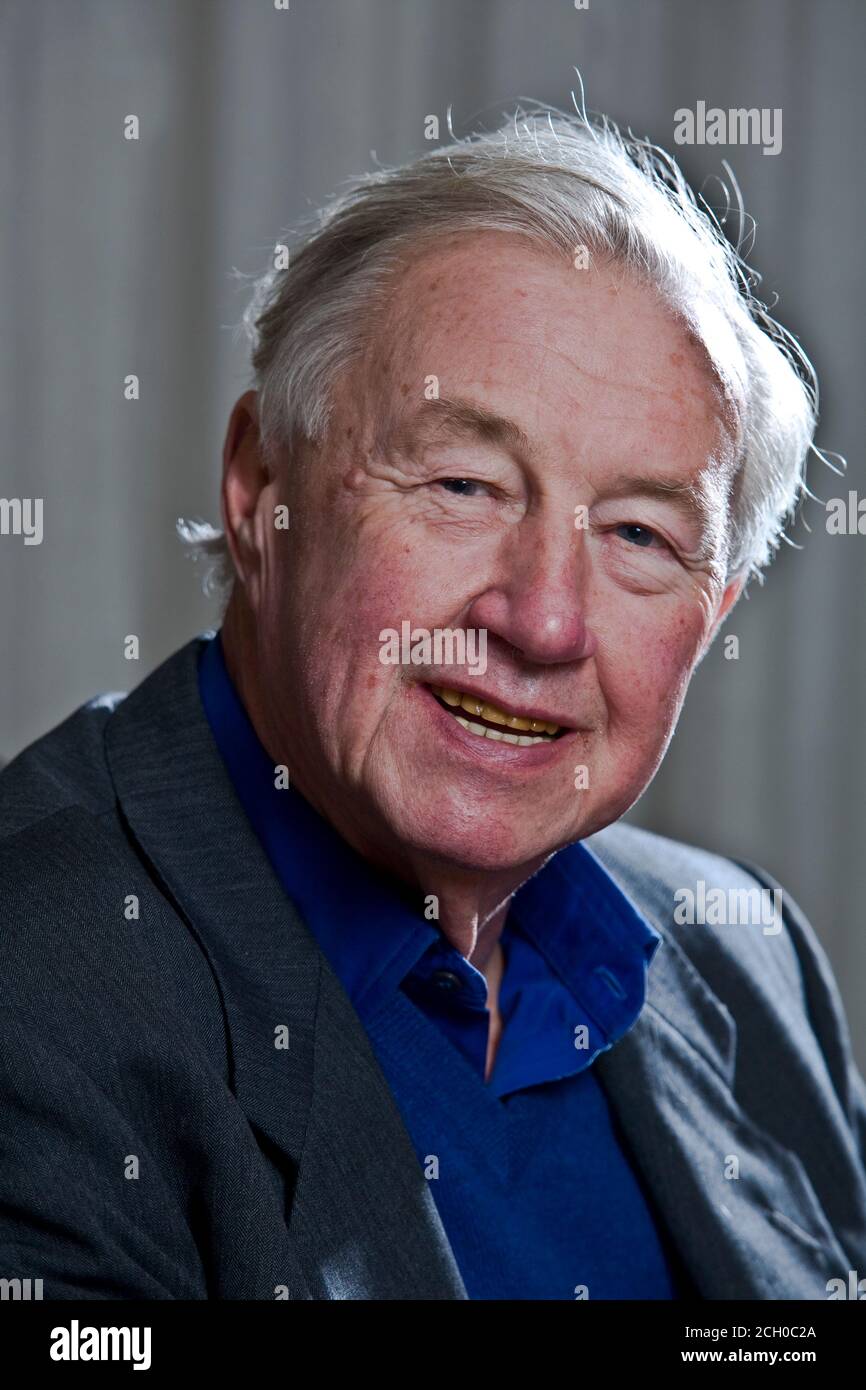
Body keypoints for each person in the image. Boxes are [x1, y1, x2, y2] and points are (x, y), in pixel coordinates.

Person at [1, 105, 864, 1301]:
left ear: (708, 616)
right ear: (261, 489)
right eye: (463, 482)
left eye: (637, 534)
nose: (544, 619)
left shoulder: (743, 951)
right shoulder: (32, 989)